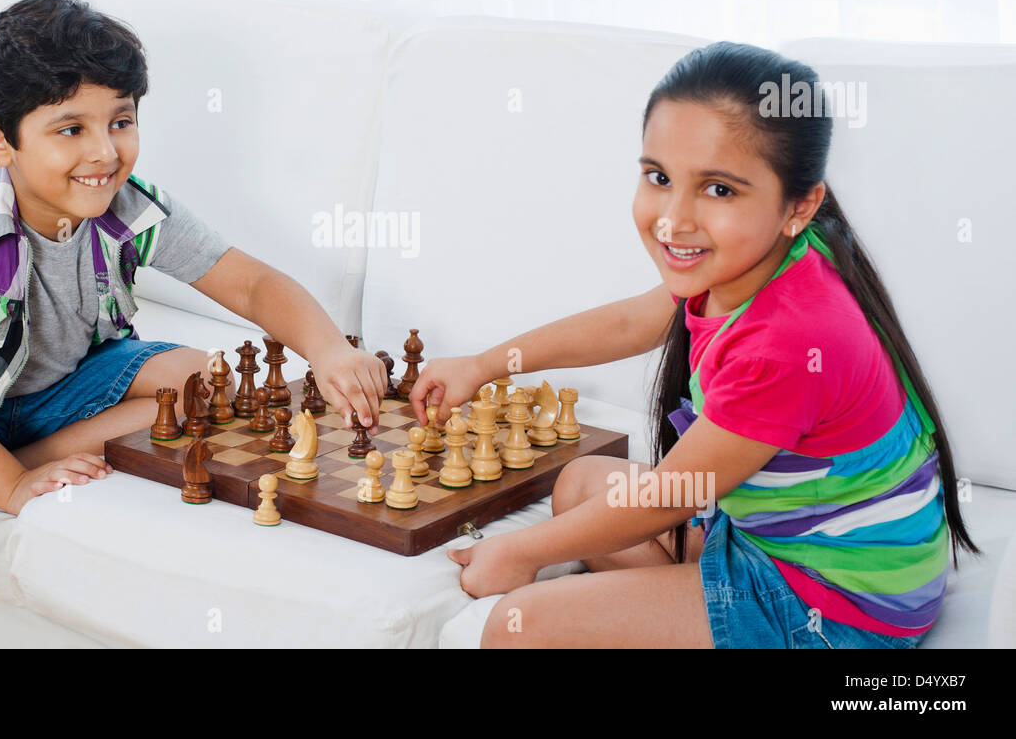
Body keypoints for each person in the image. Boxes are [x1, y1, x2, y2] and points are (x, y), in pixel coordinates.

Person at [0, 0, 387, 648]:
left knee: (208, 383)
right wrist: (9, 485)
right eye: (71, 129)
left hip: (56, 386)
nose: (105, 152)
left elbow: (254, 283)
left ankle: (21, 452)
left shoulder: (129, 205)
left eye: (120, 121)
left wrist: (327, 350)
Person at [410, 41, 979, 648]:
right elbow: (633, 322)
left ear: (799, 204)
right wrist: (484, 364)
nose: (673, 220)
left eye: (720, 190)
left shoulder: (791, 340)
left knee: (518, 627)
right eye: (659, 177)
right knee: (578, 485)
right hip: (774, 542)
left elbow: (670, 496)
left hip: (837, 608)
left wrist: (516, 552)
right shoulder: (756, 262)